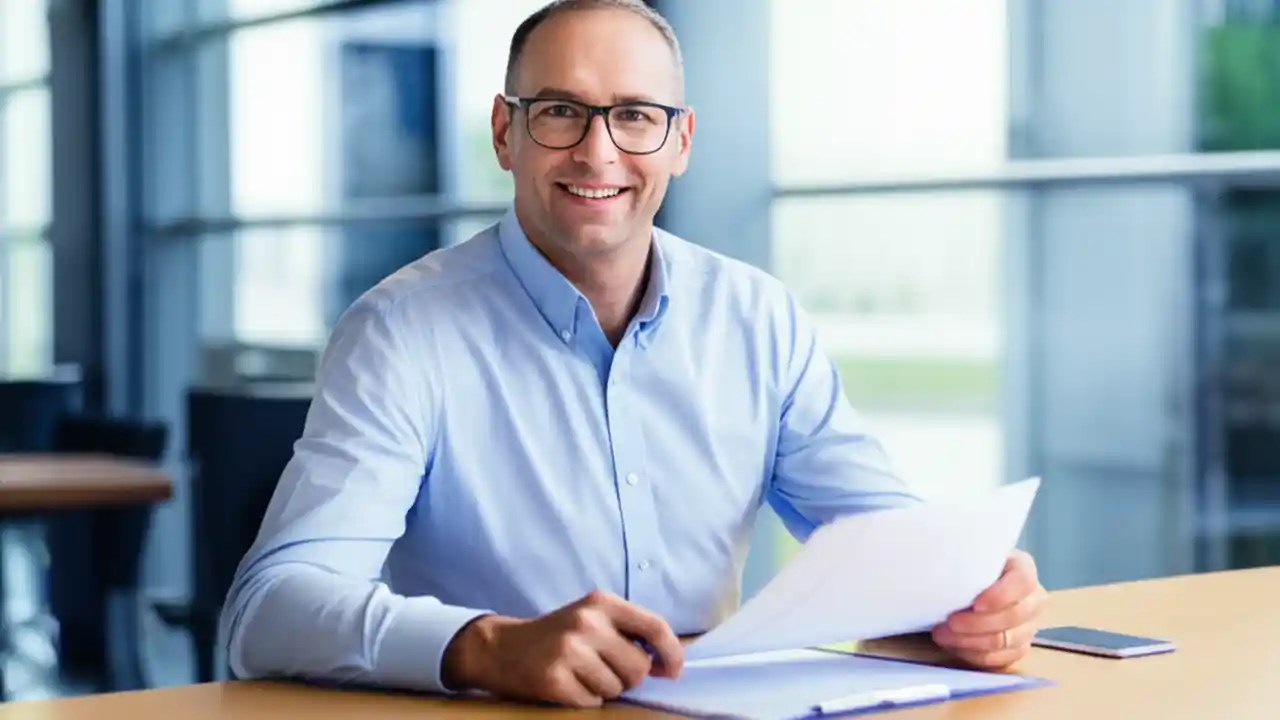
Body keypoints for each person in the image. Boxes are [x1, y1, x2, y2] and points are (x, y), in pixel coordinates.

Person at [220, 0, 1047, 708]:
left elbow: (890, 547)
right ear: (506, 132)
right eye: (559, 111)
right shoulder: (403, 331)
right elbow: (267, 612)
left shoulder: (758, 318)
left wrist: (968, 601)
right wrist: (488, 647)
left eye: (635, 115)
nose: (598, 151)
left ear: (680, 142)